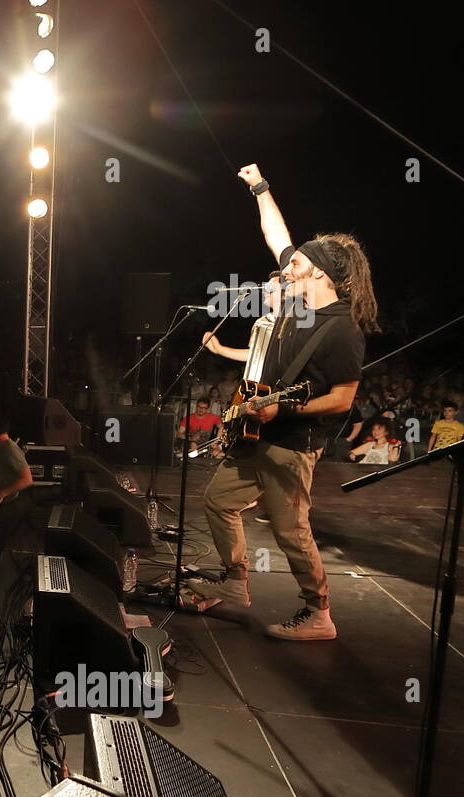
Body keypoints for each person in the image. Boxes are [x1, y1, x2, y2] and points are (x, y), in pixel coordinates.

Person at [202, 163, 372, 641]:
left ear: (317, 271)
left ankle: (319, 613)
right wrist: (259, 186)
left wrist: (288, 409)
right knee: (217, 501)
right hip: (258, 431)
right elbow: (274, 231)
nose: (286, 264)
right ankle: (235, 581)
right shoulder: (296, 300)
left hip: (293, 442)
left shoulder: (341, 329)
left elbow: (342, 399)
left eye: (296, 262)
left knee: (289, 530)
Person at [0, 407, 34, 579]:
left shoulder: (9, 449)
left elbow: (27, 478)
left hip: (3, 512)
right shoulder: (2, 448)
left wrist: (2, 493)